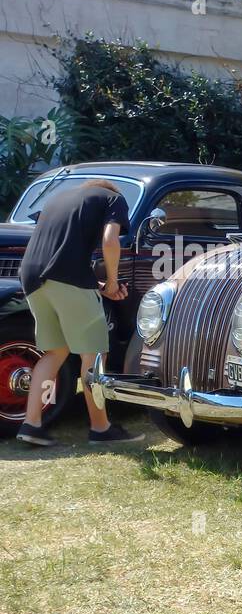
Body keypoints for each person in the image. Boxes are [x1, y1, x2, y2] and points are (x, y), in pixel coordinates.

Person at [14, 178, 144, 446]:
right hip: (66, 278)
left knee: (55, 351)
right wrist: (111, 281)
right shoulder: (113, 199)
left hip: (31, 276)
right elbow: (110, 240)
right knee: (95, 353)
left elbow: (56, 252)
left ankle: (31, 424)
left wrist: (96, 285)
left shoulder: (59, 199)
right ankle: (100, 428)